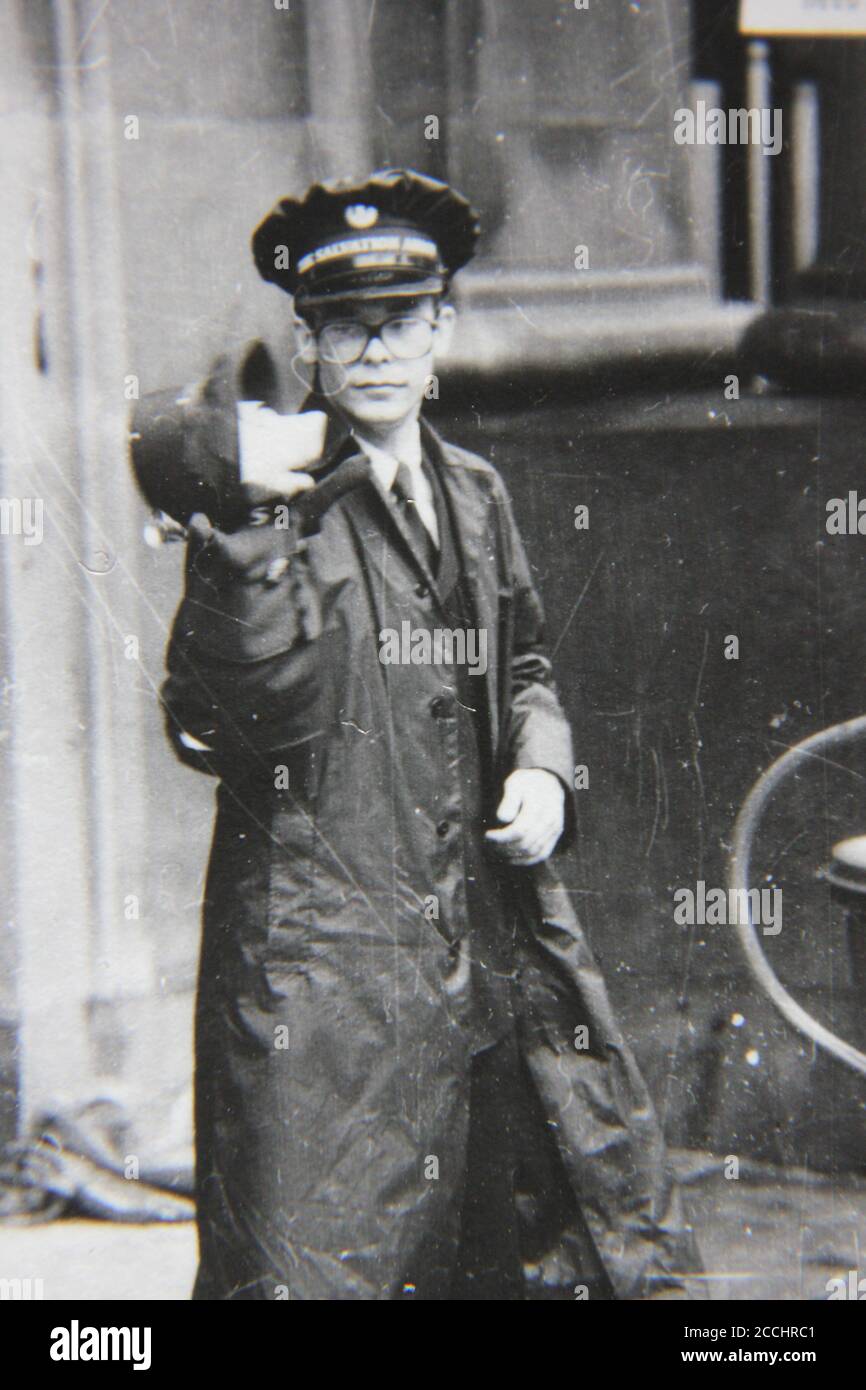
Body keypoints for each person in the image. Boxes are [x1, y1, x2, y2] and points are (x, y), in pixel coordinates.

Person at [132, 167, 702, 1300]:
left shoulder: (476, 493)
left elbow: (526, 662)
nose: (379, 351)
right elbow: (225, 719)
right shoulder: (269, 509)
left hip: (486, 950)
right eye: (348, 328)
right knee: (328, 1264)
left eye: (402, 323)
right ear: (312, 348)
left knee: (512, 1248)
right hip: (326, 982)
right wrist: (243, 530)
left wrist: (541, 769)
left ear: (442, 328)